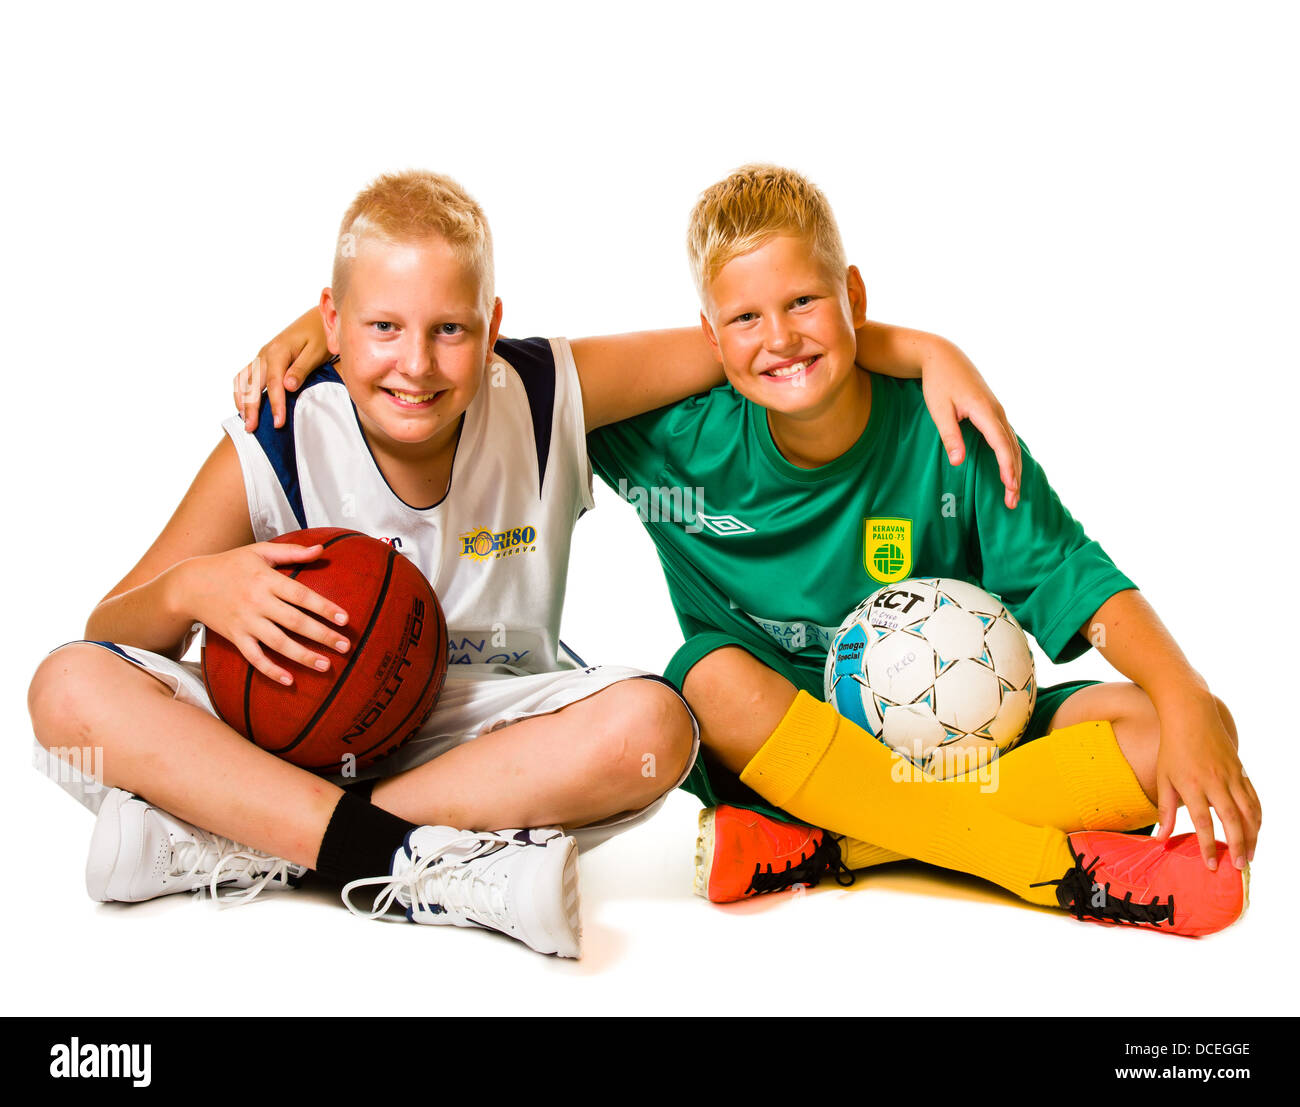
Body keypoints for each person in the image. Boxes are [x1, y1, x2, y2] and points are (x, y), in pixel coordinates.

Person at [31, 170, 1013, 960]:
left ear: (492, 328)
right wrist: (199, 587)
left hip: (478, 737)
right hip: (293, 740)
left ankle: (241, 842)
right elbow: (115, 631)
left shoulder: (542, 393)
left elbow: (738, 348)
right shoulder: (281, 432)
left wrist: (918, 346)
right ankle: (421, 866)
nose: (415, 363)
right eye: (381, 329)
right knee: (63, 687)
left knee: (652, 724)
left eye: (448, 330)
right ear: (329, 325)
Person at [582, 165, 1258, 936]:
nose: (780, 338)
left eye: (804, 300)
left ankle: (837, 845)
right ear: (708, 337)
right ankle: (1045, 870)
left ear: (854, 298)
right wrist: (916, 343)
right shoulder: (679, 440)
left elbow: (1067, 570)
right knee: (702, 675)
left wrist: (1187, 693)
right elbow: (539, 381)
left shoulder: (947, 428)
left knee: (1186, 726)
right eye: (743, 319)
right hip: (792, 747)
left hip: (978, 730)